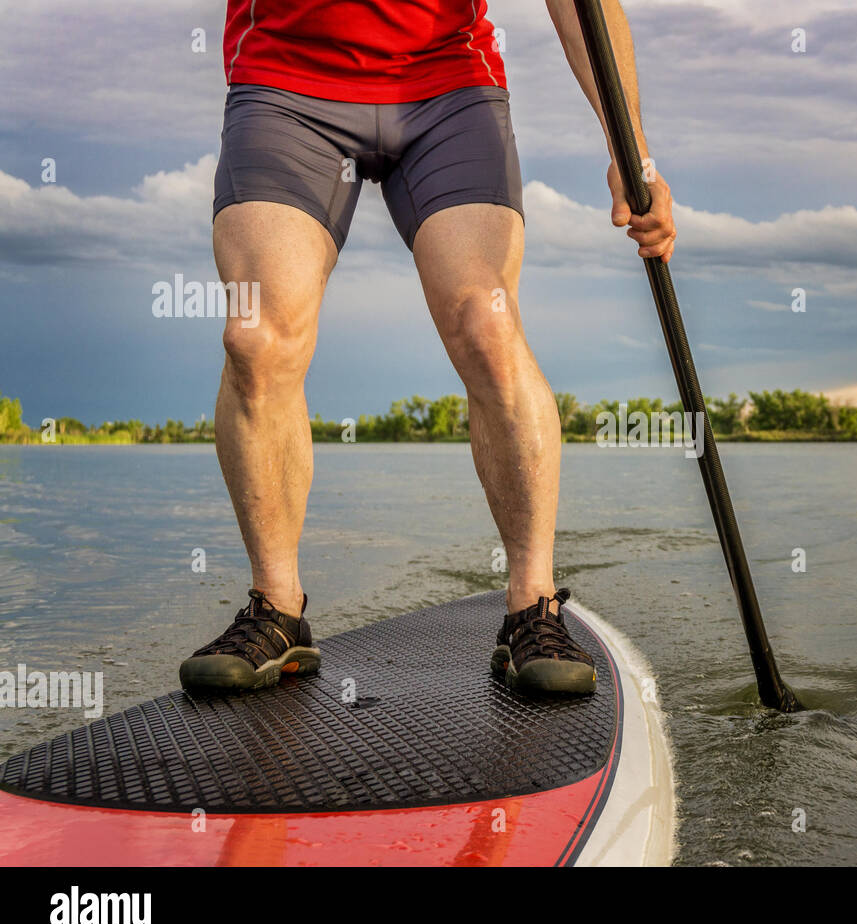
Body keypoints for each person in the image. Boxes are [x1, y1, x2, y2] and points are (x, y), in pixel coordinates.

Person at [179, 0, 675, 697]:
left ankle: (533, 606)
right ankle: (278, 610)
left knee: (487, 323)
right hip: (288, 86)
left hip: (448, 87)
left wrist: (633, 150)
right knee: (256, 337)